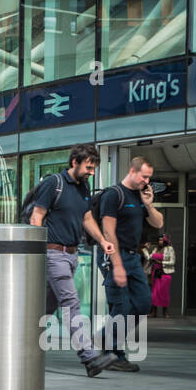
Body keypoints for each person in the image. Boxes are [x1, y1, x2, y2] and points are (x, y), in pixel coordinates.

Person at [29, 144, 118, 377]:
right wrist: (37, 252)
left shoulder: (83, 187)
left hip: (71, 255)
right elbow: (36, 217)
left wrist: (101, 241)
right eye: (88, 167)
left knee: (45, 308)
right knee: (71, 303)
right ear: (75, 163)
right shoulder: (54, 184)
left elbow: (86, 217)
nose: (91, 172)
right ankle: (90, 359)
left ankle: (20, 346)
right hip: (52, 253)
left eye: (94, 168)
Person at [99, 156, 164, 368]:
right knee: (121, 305)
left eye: (149, 177)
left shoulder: (139, 196)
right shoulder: (114, 194)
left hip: (133, 257)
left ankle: (104, 339)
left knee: (144, 303)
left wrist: (148, 204)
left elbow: (158, 222)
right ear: (133, 171)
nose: (147, 181)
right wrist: (117, 264)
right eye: (144, 176)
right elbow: (108, 231)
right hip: (114, 255)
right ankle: (114, 354)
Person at [149, 234, 175, 317]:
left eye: (161, 240)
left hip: (165, 273)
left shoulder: (169, 249)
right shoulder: (156, 249)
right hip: (155, 272)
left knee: (164, 293)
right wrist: (152, 259)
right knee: (154, 293)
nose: (160, 241)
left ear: (165, 241)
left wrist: (161, 262)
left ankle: (165, 312)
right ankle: (153, 312)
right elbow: (149, 257)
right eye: (159, 240)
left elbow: (172, 262)